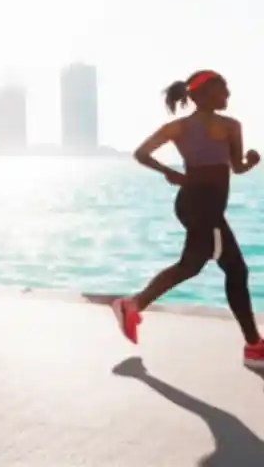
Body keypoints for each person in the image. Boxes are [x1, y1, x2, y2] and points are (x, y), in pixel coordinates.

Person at [112, 70, 264, 366]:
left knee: (203, 266)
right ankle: (254, 346)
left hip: (208, 206)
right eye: (222, 90)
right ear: (201, 95)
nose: (228, 96)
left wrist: (250, 161)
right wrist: (169, 172)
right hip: (197, 204)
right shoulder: (178, 128)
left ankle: (133, 305)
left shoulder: (233, 126)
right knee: (227, 269)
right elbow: (141, 153)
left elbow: (236, 166)